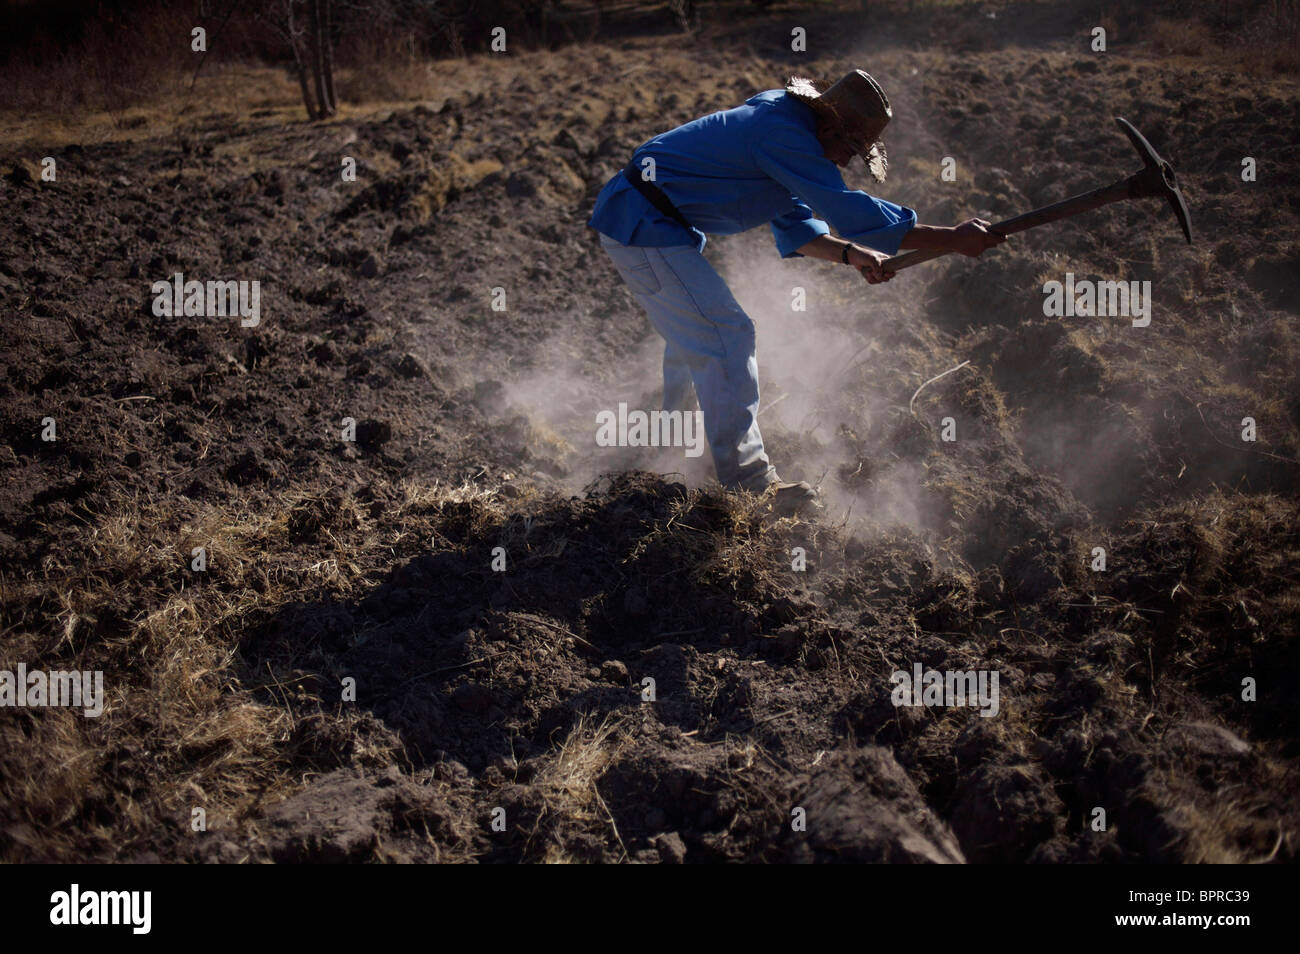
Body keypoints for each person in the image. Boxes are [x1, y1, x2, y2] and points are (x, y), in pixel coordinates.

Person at [588, 69, 1005, 513]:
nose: (846, 162)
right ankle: (750, 485)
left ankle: (664, 451)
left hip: (653, 223)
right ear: (828, 127)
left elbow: (799, 228)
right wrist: (951, 238)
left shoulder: (790, 133)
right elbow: (849, 210)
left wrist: (852, 255)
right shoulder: (783, 133)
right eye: (850, 148)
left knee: (698, 342)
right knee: (726, 335)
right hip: (641, 225)